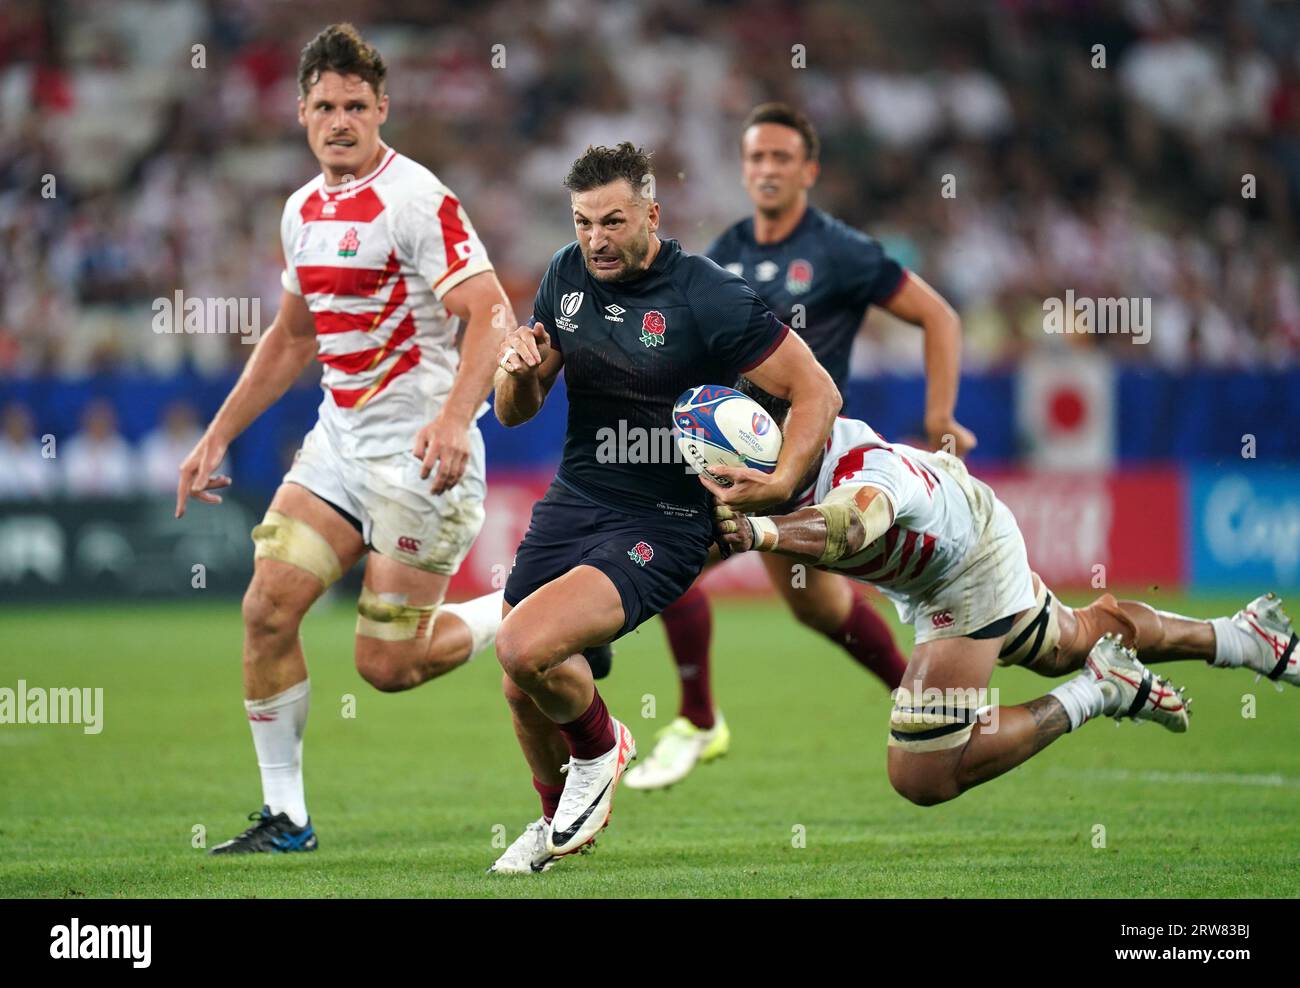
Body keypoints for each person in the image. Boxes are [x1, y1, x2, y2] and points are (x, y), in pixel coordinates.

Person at [176, 24, 511, 854]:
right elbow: (292, 338)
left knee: (387, 667)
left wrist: (453, 418)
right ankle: (285, 817)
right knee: (265, 609)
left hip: (422, 461)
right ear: (300, 113)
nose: (339, 120)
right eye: (324, 105)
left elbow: (491, 311)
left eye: (355, 105)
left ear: (381, 108)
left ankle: (525, 609)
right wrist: (216, 436)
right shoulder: (299, 211)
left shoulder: (418, 198)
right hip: (338, 450)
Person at [487, 142, 840, 873]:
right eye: (583, 222)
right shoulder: (564, 274)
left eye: (613, 221)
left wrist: (776, 488)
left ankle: (604, 744)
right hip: (576, 498)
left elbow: (818, 393)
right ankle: (553, 827)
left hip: (665, 522)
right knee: (522, 680)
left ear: (653, 212)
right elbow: (516, 411)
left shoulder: (706, 295)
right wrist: (513, 374)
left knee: (522, 645)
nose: (596, 239)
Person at [712, 383, 1296, 806]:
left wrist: (759, 533)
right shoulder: (772, 469)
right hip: (956, 540)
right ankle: (1243, 638)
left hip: (964, 568)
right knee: (1068, 642)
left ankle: (1098, 691)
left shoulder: (864, 469)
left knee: (923, 774)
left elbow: (850, 527)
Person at [628, 103, 977, 790]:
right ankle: (928, 703)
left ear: (808, 170)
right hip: (733, 454)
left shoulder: (841, 251)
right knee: (811, 602)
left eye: (781, 158)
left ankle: (699, 720)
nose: (766, 169)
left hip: (805, 459)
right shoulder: (725, 251)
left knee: (665, 566)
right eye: (756, 157)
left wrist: (941, 412)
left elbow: (938, 315)